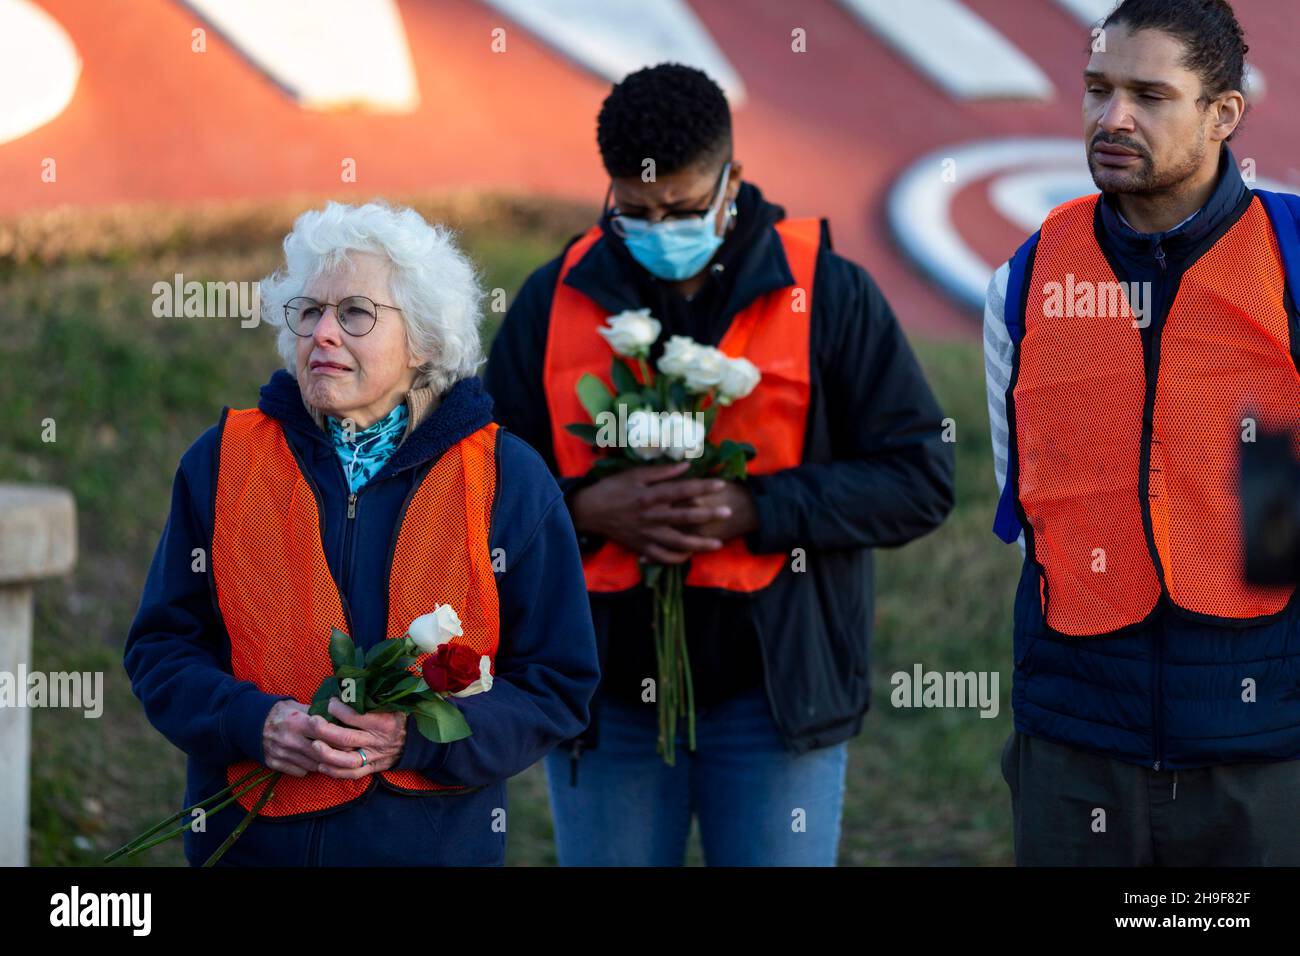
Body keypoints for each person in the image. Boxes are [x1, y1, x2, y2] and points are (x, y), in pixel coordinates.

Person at [485, 63, 954, 866]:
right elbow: (475, 489)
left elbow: (920, 479)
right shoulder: (550, 299)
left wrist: (757, 509)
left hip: (773, 705)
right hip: (605, 699)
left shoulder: (831, 295)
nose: (660, 227)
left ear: (732, 179)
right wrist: (582, 509)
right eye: (635, 214)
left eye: (683, 208)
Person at [123, 200, 599, 866]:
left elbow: (556, 682)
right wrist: (252, 724)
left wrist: (418, 739)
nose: (322, 333)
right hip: (249, 848)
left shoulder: (507, 478)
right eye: (309, 312)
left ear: (425, 340)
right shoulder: (222, 459)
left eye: (354, 314)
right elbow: (161, 649)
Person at [985, 0, 1300, 866]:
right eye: (1097, 88)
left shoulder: (1293, 258)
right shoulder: (1023, 278)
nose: (1112, 117)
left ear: (1223, 114)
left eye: (1151, 95)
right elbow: (1026, 511)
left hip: (1267, 760)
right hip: (1075, 754)